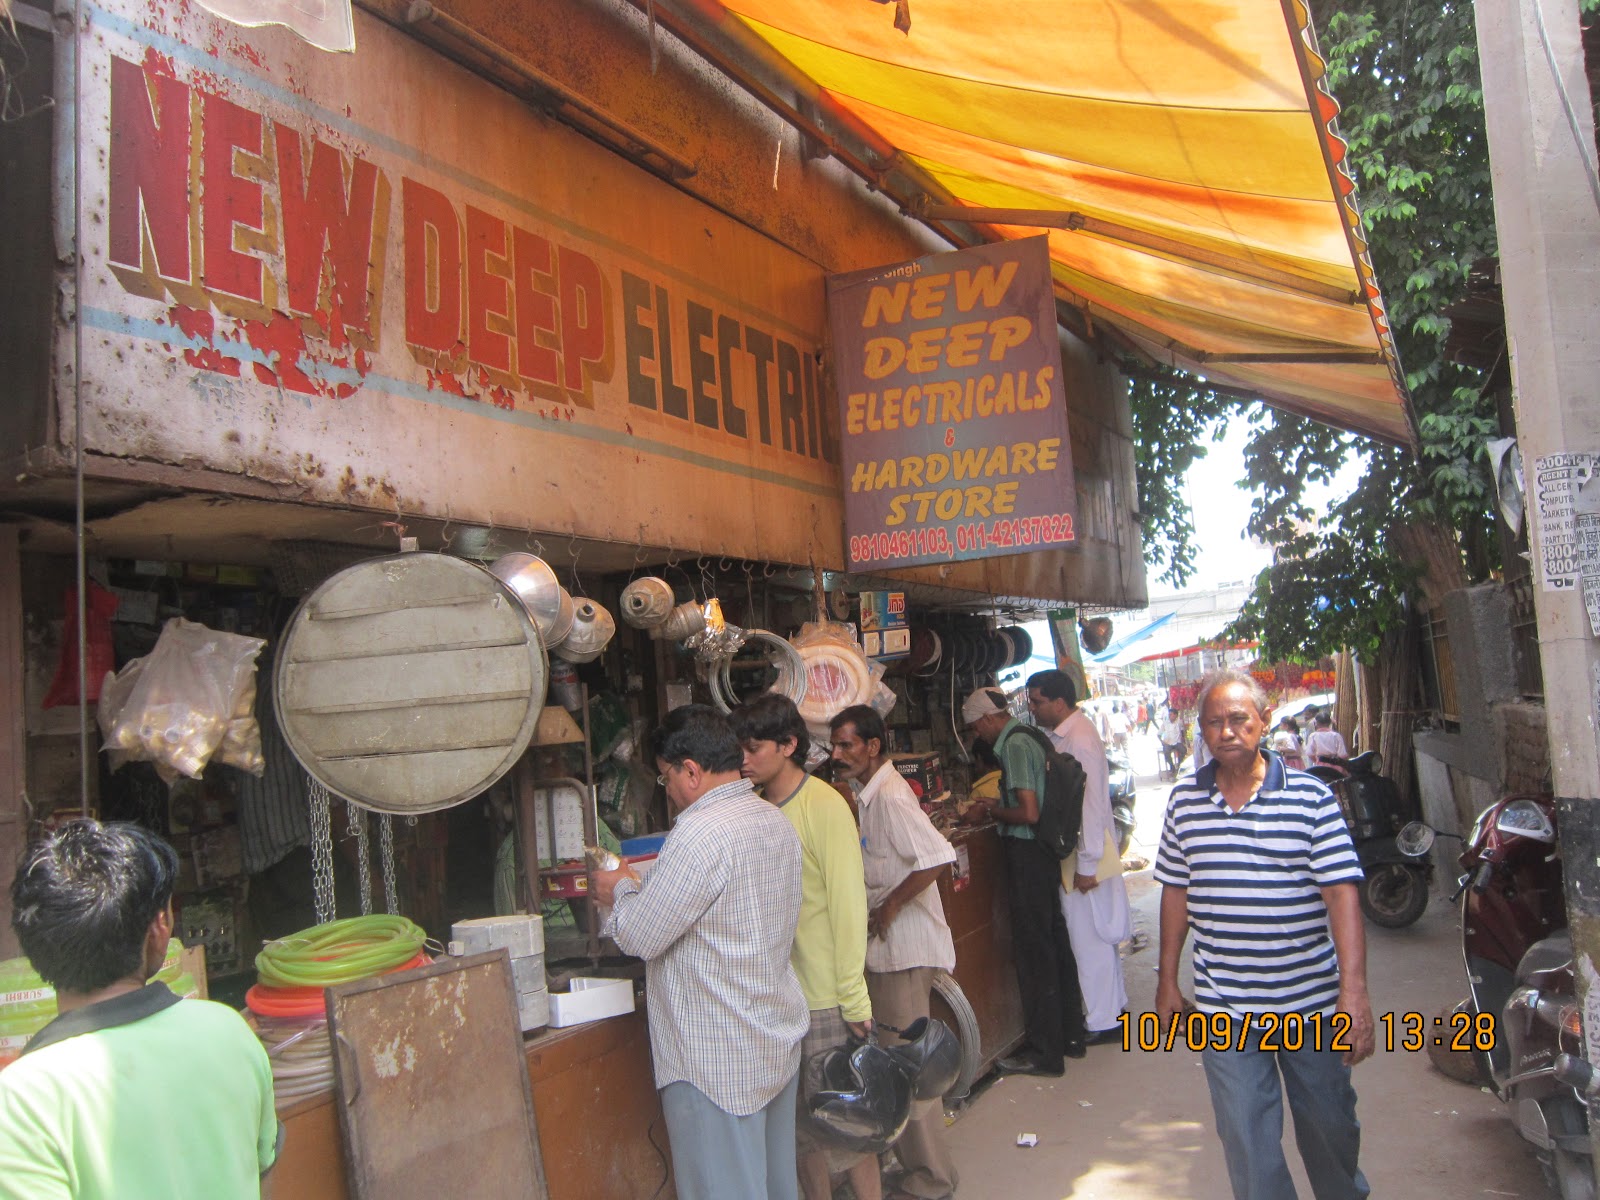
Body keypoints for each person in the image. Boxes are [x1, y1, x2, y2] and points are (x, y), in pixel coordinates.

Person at [1155, 670, 1374, 1200]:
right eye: (1214, 722)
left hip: (1311, 1003)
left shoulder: (1309, 797)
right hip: (1225, 1008)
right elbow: (1175, 893)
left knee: (1329, 1131)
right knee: (1247, 1142)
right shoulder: (1184, 802)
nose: (1227, 731)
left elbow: (1341, 894)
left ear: (1264, 720)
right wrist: (1167, 981)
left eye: (1238, 719)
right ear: (1199, 731)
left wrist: (1354, 992)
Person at [593, 705, 808, 1200]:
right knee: (774, 1188)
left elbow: (641, 935)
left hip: (715, 1057)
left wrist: (620, 890)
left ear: (691, 770)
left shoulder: (699, 832)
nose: (666, 789)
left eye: (667, 775)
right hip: (770, 1038)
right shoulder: (771, 820)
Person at [0, 820, 280, 1199]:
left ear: (32, 944)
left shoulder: (21, 1099)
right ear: (160, 928)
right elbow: (263, 1163)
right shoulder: (229, 1031)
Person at [731, 695, 881, 1200]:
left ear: (789, 745)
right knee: (801, 1135)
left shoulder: (825, 805)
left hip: (823, 998)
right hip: (775, 1001)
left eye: (753, 749)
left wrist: (852, 995)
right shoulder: (752, 811)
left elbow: (846, 905)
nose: (744, 761)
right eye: (740, 751)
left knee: (850, 1126)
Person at [829, 705, 959, 1200]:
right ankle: (916, 1172)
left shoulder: (888, 796)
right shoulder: (868, 795)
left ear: (873, 747)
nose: (838, 755)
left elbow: (937, 856)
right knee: (897, 1064)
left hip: (903, 951)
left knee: (910, 1069)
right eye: (835, 746)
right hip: (889, 954)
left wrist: (890, 906)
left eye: (847, 746)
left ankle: (931, 1180)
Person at [961, 686, 1085, 1076]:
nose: (976, 735)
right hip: (1045, 855)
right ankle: (1070, 1036)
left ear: (985, 719)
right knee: (1055, 944)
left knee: (1036, 953)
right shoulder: (1031, 735)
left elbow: (1028, 812)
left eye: (974, 727)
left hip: (1029, 854)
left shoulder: (1013, 745)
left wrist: (990, 809)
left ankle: (1044, 1053)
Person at [1026, 670, 1131, 1044]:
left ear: (1059, 702)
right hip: (1085, 847)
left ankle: (1102, 1020)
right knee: (1096, 934)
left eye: (1037, 701)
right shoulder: (1068, 734)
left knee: (1088, 937)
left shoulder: (1080, 739)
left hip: (1087, 849)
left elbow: (1088, 805)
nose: (1032, 708)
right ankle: (1113, 1009)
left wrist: (1087, 865)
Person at [1158, 707, 1186, 780]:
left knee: (1183, 750)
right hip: (1168, 742)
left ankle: (1179, 765)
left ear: (1175, 715)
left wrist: (1183, 739)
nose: (1170, 716)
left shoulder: (1179, 722)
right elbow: (1159, 734)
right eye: (1169, 715)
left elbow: (1183, 731)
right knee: (1166, 752)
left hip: (1177, 742)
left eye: (1171, 715)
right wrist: (1162, 742)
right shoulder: (1165, 723)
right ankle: (1172, 766)